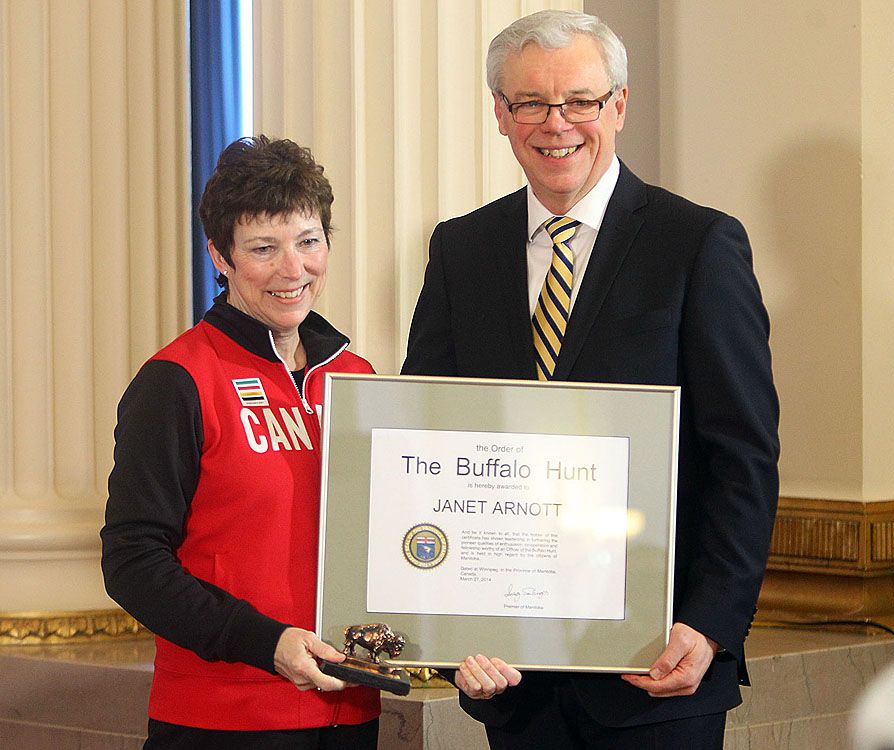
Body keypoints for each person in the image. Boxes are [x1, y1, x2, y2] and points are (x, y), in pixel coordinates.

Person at [402, 9, 779, 749]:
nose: (557, 123)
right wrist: (446, 633)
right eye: (531, 104)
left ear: (619, 106)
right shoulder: (461, 250)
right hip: (511, 678)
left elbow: (744, 458)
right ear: (501, 117)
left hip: (657, 672)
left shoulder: (698, 244)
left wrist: (708, 626)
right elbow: (429, 438)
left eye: (579, 100)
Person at [101, 136, 380, 749]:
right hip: (221, 720)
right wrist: (266, 643)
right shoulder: (177, 381)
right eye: (263, 249)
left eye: (308, 241)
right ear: (219, 257)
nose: (293, 269)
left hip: (350, 713)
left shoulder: (358, 380)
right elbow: (132, 562)